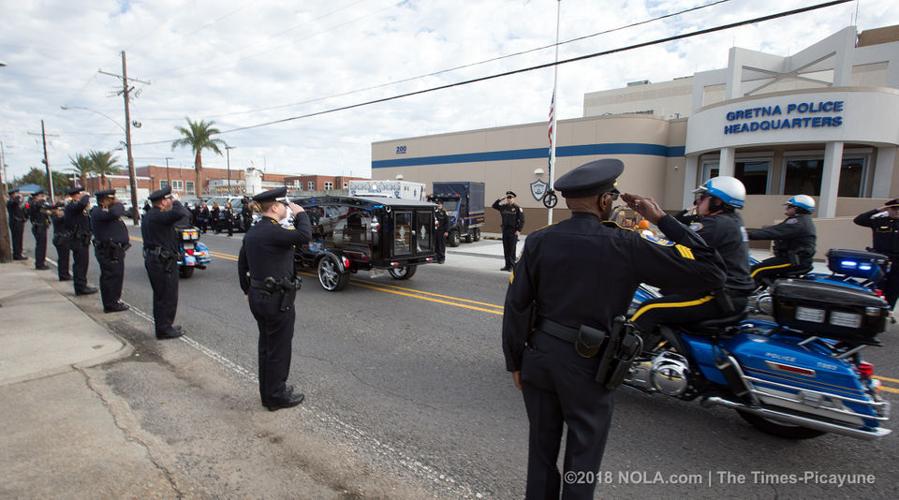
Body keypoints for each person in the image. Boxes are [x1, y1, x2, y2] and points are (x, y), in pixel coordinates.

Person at [503, 159, 726, 500]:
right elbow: (712, 271)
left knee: (541, 454)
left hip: (540, 357)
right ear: (605, 201)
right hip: (588, 365)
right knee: (583, 458)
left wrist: (515, 361)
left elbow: (517, 305)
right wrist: (661, 219)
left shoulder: (539, 241)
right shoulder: (627, 245)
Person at [631, 176, 754, 339]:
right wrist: (659, 215)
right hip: (730, 294)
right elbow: (684, 228)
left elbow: (678, 242)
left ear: (717, 202)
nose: (697, 202)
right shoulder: (732, 220)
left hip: (720, 295)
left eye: (703, 198)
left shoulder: (715, 224)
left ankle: (622, 359)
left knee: (648, 310)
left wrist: (635, 244)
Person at [238, 187, 312, 411]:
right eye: (285, 206)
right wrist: (301, 214)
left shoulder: (253, 232)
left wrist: (246, 290)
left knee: (267, 346)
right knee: (278, 348)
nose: (287, 209)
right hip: (276, 299)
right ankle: (276, 396)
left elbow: (242, 264)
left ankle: (268, 392)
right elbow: (304, 236)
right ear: (276, 207)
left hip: (259, 296)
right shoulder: (272, 231)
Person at [142, 186, 191, 339]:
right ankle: (164, 329)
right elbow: (182, 212)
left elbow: (185, 217)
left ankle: (164, 325)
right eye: (168, 199)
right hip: (162, 262)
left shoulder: (151, 215)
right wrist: (176, 201)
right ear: (163, 202)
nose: (170, 201)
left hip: (157, 260)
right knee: (167, 296)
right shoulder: (158, 216)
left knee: (161, 296)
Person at [747, 195, 817, 287]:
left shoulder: (797, 223)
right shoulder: (800, 220)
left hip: (793, 261)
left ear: (797, 208)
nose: (786, 208)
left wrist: (745, 234)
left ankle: (741, 294)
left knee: (756, 269)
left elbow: (773, 232)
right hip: (793, 259)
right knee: (761, 266)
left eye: (789, 206)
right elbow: (775, 229)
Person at [854, 198, 899, 309]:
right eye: (894, 208)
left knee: (893, 289)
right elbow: (859, 220)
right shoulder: (879, 221)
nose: (897, 211)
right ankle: (873, 311)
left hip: (898, 262)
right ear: (888, 209)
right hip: (881, 260)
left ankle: (888, 312)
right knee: (877, 288)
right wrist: (878, 210)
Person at [90, 189, 130, 313]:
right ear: (104, 201)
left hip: (114, 250)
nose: (114, 201)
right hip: (108, 250)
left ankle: (114, 301)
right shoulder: (98, 211)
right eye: (111, 199)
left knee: (116, 276)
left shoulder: (106, 211)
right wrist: (117, 203)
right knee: (110, 277)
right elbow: (117, 212)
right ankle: (110, 304)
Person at [63, 187, 98, 296]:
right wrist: (86, 195)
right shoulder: (72, 206)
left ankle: (82, 285)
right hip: (77, 239)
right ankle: (80, 287)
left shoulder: (76, 207)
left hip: (82, 239)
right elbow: (82, 204)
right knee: (80, 264)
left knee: (83, 263)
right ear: (75, 195)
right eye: (79, 194)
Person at [492, 190, 525, 271]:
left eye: (510, 197)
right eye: (508, 197)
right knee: (506, 249)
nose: (509, 199)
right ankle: (507, 266)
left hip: (513, 231)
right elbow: (494, 205)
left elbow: (522, 220)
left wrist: (519, 230)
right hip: (505, 231)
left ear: (514, 198)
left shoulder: (517, 208)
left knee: (512, 250)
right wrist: (501, 198)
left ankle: (512, 266)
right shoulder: (503, 207)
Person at [27, 189, 52, 270]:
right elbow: (40, 205)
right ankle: (39, 264)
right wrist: (43, 199)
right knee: (40, 246)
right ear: (36, 197)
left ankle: (41, 262)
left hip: (41, 226)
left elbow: (46, 208)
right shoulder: (34, 203)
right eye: (41, 196)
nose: (43, 198)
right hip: (39, 227)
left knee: (42, 246)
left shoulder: (36, 204)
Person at [50, 199, 72, 281]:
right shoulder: (56, 217)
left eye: (62, 210)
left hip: (62, 239)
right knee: (63, 258)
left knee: (65, 258)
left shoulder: (58, 217)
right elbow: (65, 218)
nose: (61, 212)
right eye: (59, 210)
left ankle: (65, 273)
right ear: (55, 210)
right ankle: (63, 275)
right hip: (60, 239)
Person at [6, 188, 27, 260]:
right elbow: (15, 203)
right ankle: (17, 254)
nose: (18, 194)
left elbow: (24, 207)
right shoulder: (11, 202)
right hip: (15, 222)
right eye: (16, 193)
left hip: (19, 221)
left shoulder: (16, 202)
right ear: (12, 194)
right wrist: (18, 197)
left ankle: (19, 253)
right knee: (16, 239)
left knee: (19, 238)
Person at [434, 199, 449, 264]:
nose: (439, 205)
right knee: (436, 244)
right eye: (438, 204)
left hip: (442, 231)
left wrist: (446, 231)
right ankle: (437, 258)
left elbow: (447, 222)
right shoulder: (435, 212)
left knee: (441, 245)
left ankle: (442, 258)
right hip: (436, 231)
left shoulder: (444, 212)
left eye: (440, 204)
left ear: (442, 205)